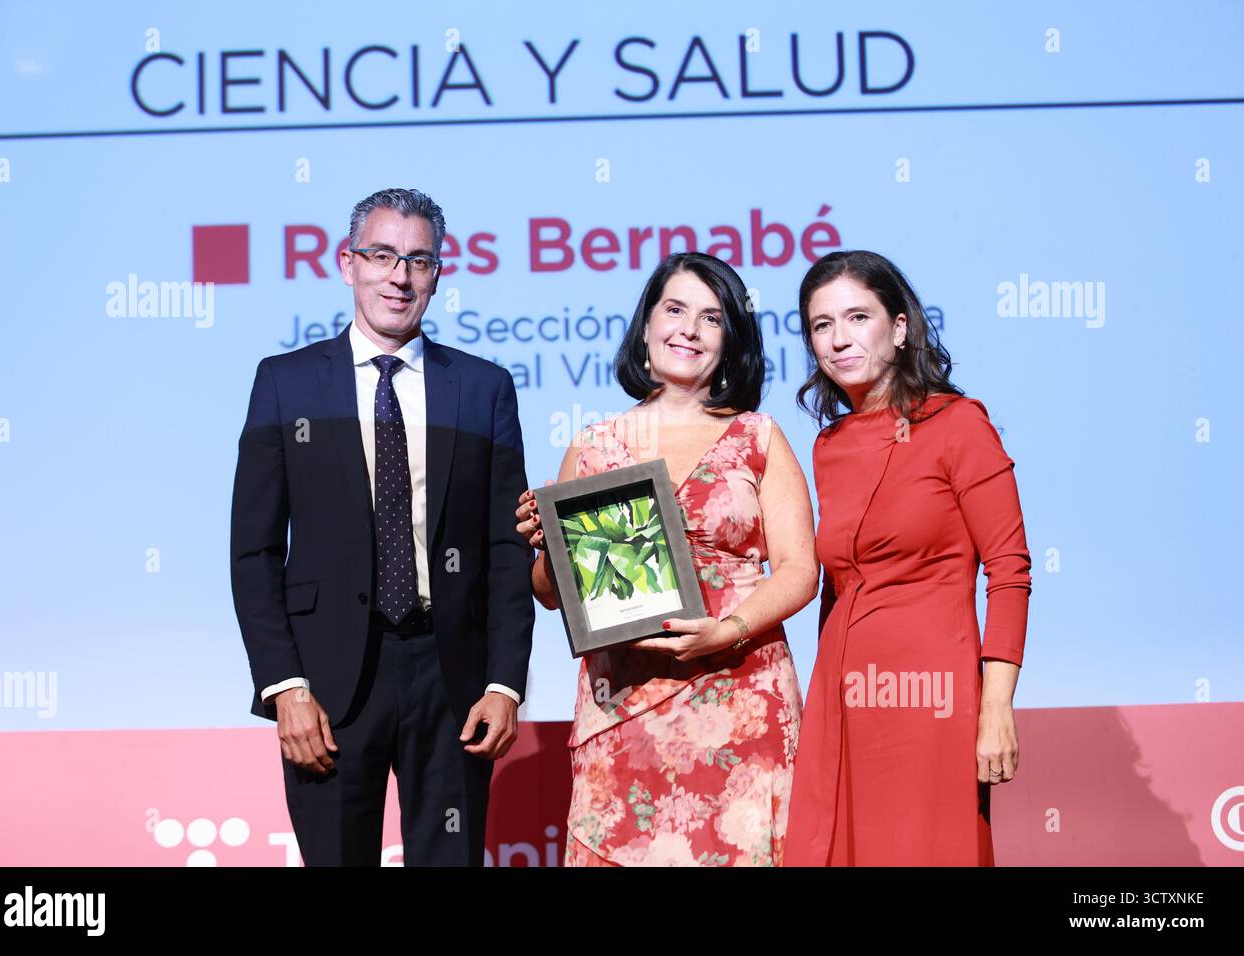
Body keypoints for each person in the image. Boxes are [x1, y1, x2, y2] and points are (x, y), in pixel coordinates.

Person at [230, 188, 533, 866]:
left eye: (418, 260)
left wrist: (504, 682)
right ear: (348, 263)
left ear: (437, 274)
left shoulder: (482, 388)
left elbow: (508, 547)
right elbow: (252, 552)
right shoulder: (286, 383)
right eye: (382, 255)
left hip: (453, 682)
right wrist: (284, 688)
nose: (399, 276)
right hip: (327, 687)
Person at [516, 252, 818, 866]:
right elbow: (551, 593)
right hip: (623, 704)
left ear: (728, 339)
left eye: (711, 317)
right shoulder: (594, 445)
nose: (689, 329)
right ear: (647, 325)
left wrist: (725, 630)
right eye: (675, 309)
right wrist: (546, 546)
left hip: (741, 696)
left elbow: (799, 570)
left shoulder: (759, 437)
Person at [783, 250, 1032, 866]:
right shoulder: (829, 446)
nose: (839, 339)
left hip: (934, 695)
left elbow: (1010, 570)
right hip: (843, 696)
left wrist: (995, 706)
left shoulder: (959, 424)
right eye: (821, 325)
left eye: (857, 317)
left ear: (899, 328)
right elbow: (838, 587)